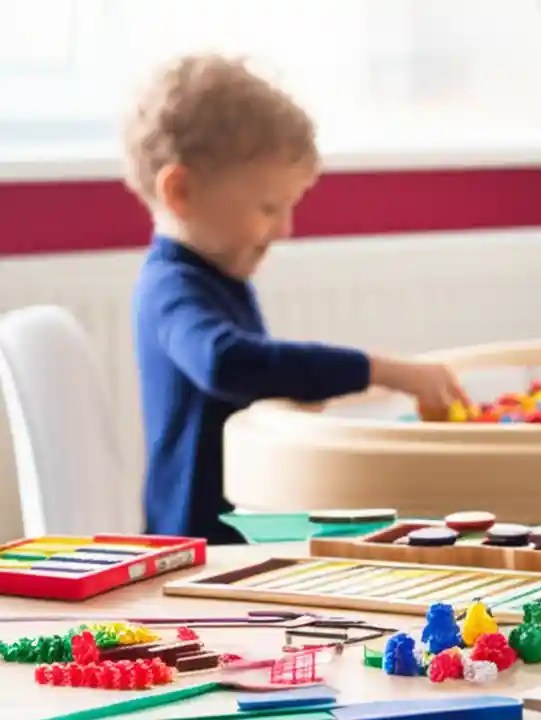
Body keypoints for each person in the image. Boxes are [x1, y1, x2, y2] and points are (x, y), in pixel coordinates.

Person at [124, 54, 466, 543]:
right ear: (181, 191)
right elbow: (225, 362)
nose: (284, 230)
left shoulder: (218, 278)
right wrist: (381, 369)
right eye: (268, 208)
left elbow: (246, 382)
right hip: (197, 548)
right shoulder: (171, 287)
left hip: (235, 531)